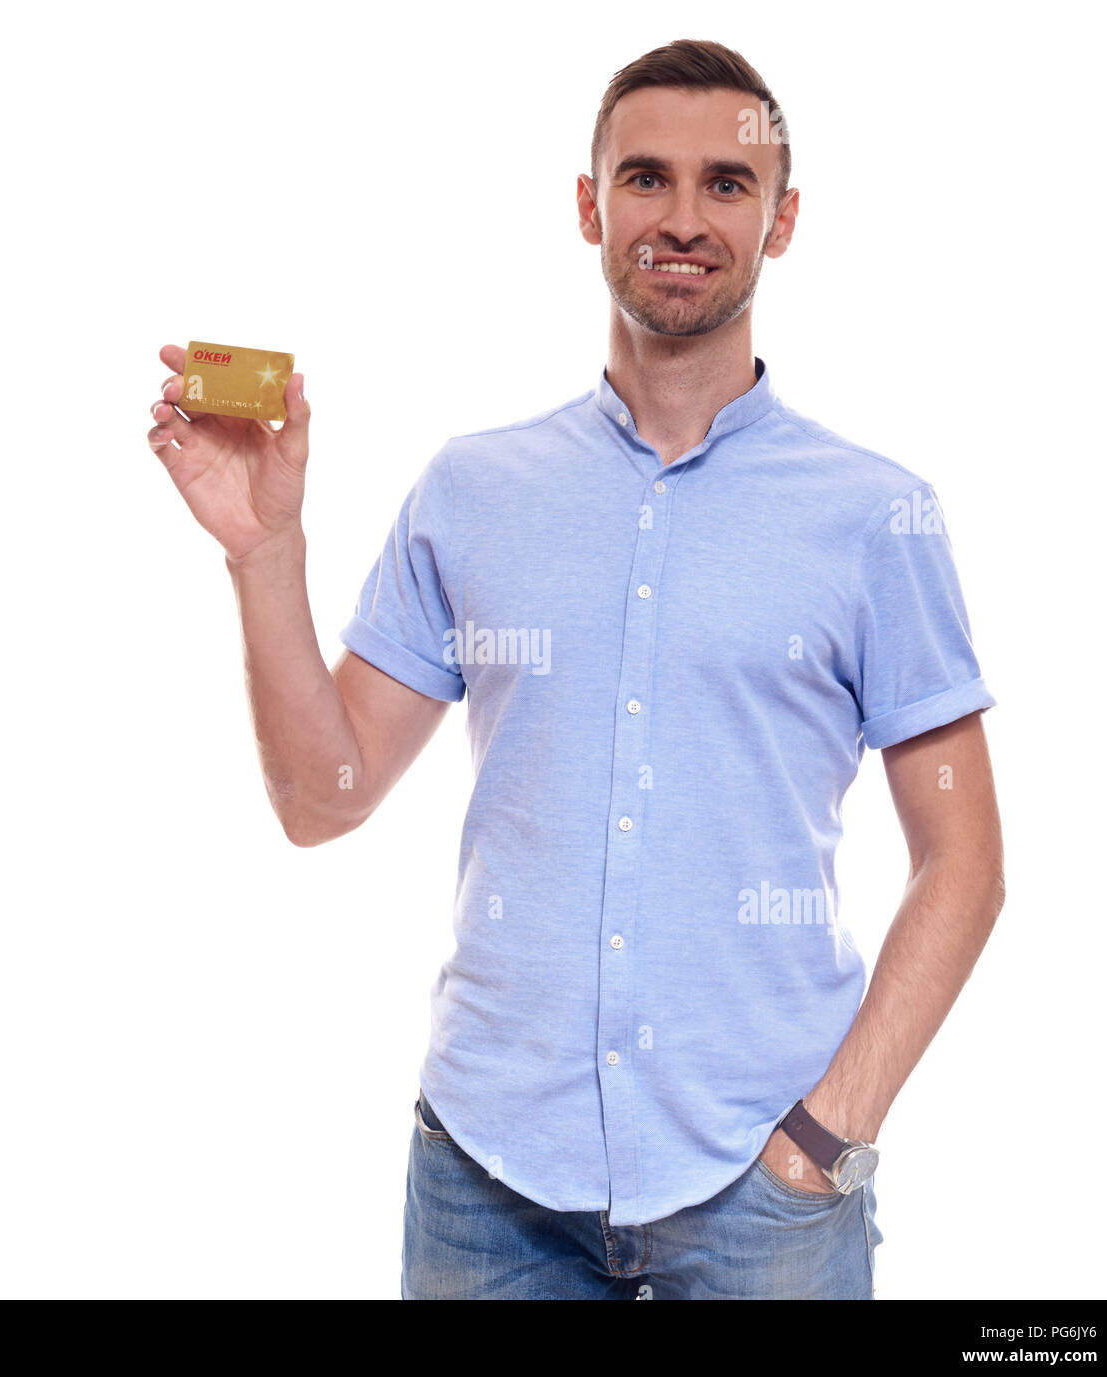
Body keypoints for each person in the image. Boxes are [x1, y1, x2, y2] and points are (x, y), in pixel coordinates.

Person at [146, 39, 1004, 1300]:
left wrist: (824, 1138)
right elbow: (320, 799)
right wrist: (267, 552)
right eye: (646, 177)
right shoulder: (473, 489)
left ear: (782, 222)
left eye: (727, 183)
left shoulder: (877, 517)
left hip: (764, 1194)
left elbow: (965, 864)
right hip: (486, 1186)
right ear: (590, 206)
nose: (683, 216)